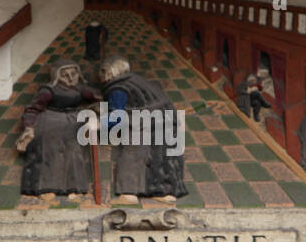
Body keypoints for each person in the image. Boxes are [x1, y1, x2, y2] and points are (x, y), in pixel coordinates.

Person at [98, 55, 188, 203]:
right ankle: (165, 193)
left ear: (107, 72)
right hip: (168, 119)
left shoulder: (118, 88)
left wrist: (98, 123)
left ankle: (129, 194)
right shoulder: (138, 80)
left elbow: (117, 117)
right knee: (163, 158)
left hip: (147, 124)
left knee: (131, 156)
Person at [16, 61, 100, 198]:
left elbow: (96, 95)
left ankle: (74, 187)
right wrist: (28, 128)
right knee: (51, 152)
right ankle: (46, 188)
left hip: (71, 122)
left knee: (73, 152)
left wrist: (96, 105)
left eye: (73, 74)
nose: (70, 78)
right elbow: (33, 109)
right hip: (50, 121)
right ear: (56, 75)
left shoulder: (79, 88)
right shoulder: (48, 90)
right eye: (64, 75)